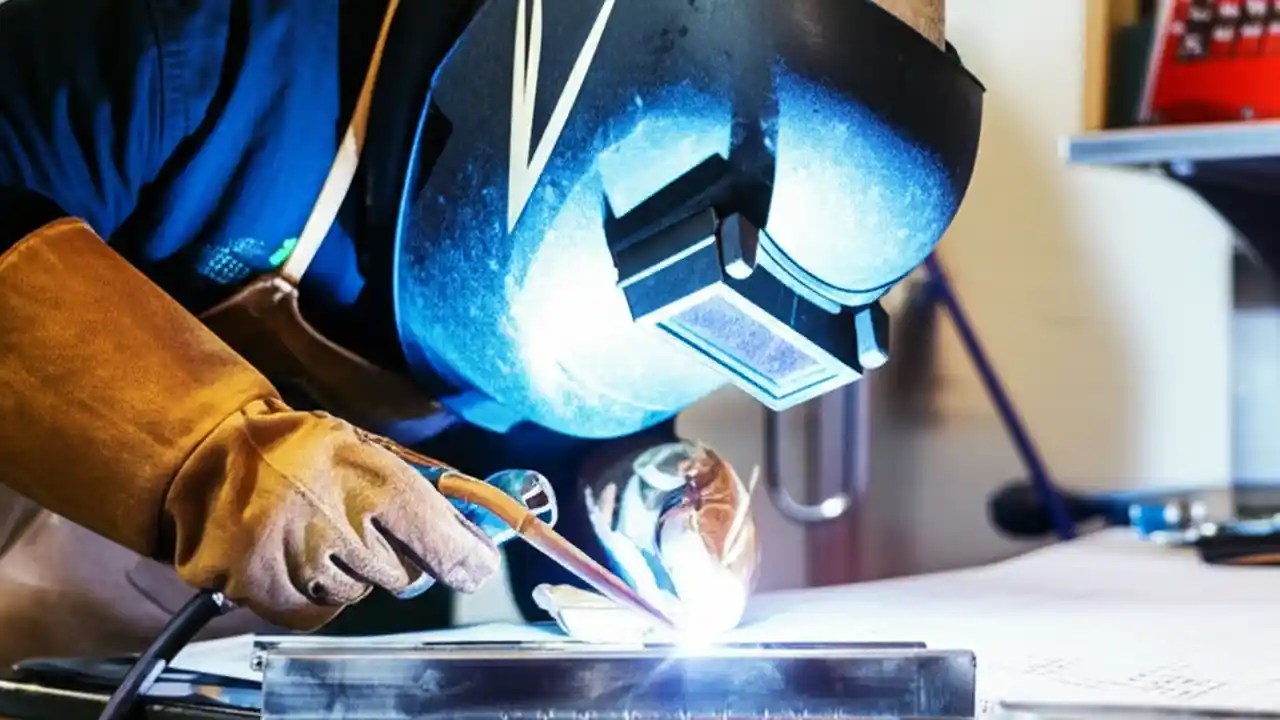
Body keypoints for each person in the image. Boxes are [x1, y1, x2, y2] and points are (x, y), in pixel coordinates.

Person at [0, 0, 980, 667]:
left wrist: (634, 501)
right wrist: (203, 449)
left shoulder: (609, 223)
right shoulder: (205, 38)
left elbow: (555, 442)